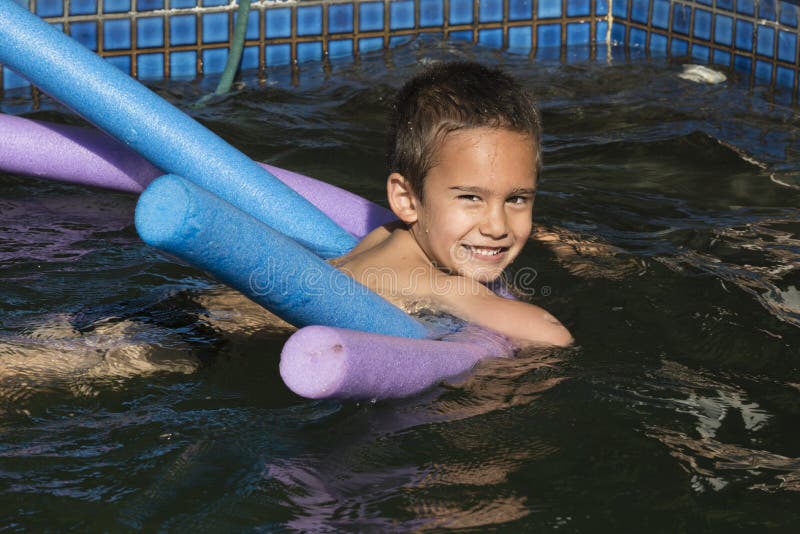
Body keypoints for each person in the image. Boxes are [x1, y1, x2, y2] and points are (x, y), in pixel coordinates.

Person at [332, 61, 573, 347]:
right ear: (407, 200)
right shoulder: (435, 286)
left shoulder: (387, 236)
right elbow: (550, 334)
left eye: (516, 199)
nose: (497, 227)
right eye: (471, 198)